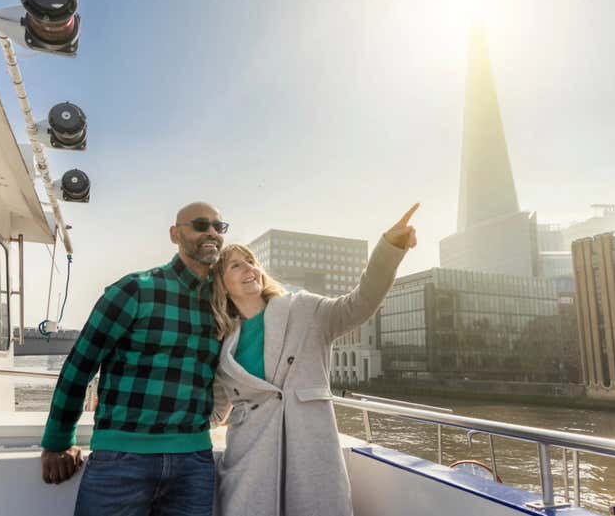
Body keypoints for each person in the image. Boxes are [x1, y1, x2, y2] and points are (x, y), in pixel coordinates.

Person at [211, 204, 419, 516]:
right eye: (236, 266)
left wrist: (389, 249)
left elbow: (358, 305)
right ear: (222, 285)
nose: (249, 269)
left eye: (251, 262)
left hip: (310, 450)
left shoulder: (303, 309)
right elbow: (214, 411)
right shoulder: (223, 345)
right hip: (249, 461)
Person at [40, 202, 228, 516]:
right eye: (200, 224)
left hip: (194, 462)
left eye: (218, 227)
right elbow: (80, 366)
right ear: (174, 234)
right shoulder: (135, 290)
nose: (211, 232)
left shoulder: (222, 302)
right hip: (121, 459)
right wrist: (58, 442)